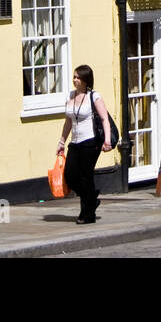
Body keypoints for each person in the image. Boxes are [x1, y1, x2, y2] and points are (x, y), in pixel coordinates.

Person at [57, 64, 114, 224]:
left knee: (86, 176)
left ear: (85, 80)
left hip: (90, 142)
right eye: (74, 77)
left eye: (78, 77)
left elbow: (104, 119)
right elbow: (68, 121)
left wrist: (107, 140)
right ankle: (91, 200)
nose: (75, 80)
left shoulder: (93, 96)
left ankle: (87, 214)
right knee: (70, 176)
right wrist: (62, 141)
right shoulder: (70, 96)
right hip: (74, 142)